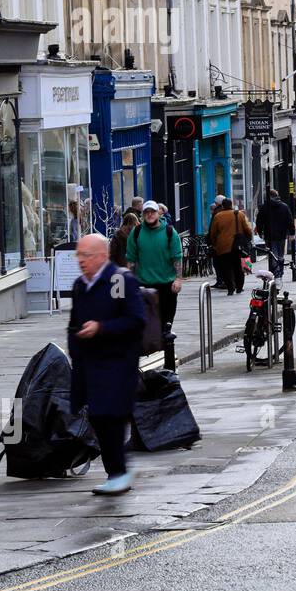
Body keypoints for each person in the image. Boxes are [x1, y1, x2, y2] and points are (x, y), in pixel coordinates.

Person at [69, 233, 145, 496]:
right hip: (90, 364)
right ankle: (117, 471)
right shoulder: (81, 285)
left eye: (86, 255)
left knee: (109, 416)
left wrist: (101, 328)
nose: (81, 261)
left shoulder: (118, 280)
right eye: (78, 255)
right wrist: (74, 350)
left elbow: (136, 320)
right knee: (98, 417)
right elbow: (74, 322)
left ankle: (119, 472)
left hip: (118, 363)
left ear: (102, 256)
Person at [126, 201, 184, 337]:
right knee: (146, 324)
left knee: (166, 326)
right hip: (144, 285)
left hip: (167, 285)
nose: (149, 215)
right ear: (142, 215)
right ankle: (150, 351)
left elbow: (177, 257)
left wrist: (178, 279)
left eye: (152, 212)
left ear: (159, 213)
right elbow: (131, 259)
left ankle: (166, 352)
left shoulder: (170, 232)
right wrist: (129, 280)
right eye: (146, 212)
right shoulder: (137, 232)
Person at [208, 198, 251, 295]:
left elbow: (213, 233)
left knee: (226, 268)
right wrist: (248, 239)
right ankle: (239, 287)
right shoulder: (239, 214)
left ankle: (230, 288)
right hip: (237, 246)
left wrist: (215, 243)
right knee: (237, 267)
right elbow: (247, 229)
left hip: (223, 246)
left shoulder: (218, 216)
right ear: (231, 205)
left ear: (222, 206)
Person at [256, 188, 295, 274]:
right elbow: (290, 221)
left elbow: (259, 221)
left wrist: (259, 232)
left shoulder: (264, 207)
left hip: (269, 234)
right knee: (280, 253)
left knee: (273, 253)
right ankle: (280, 270)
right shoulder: (284, 206)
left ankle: (276, 271)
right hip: (282, 234)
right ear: (277, 196)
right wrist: (292, 233)